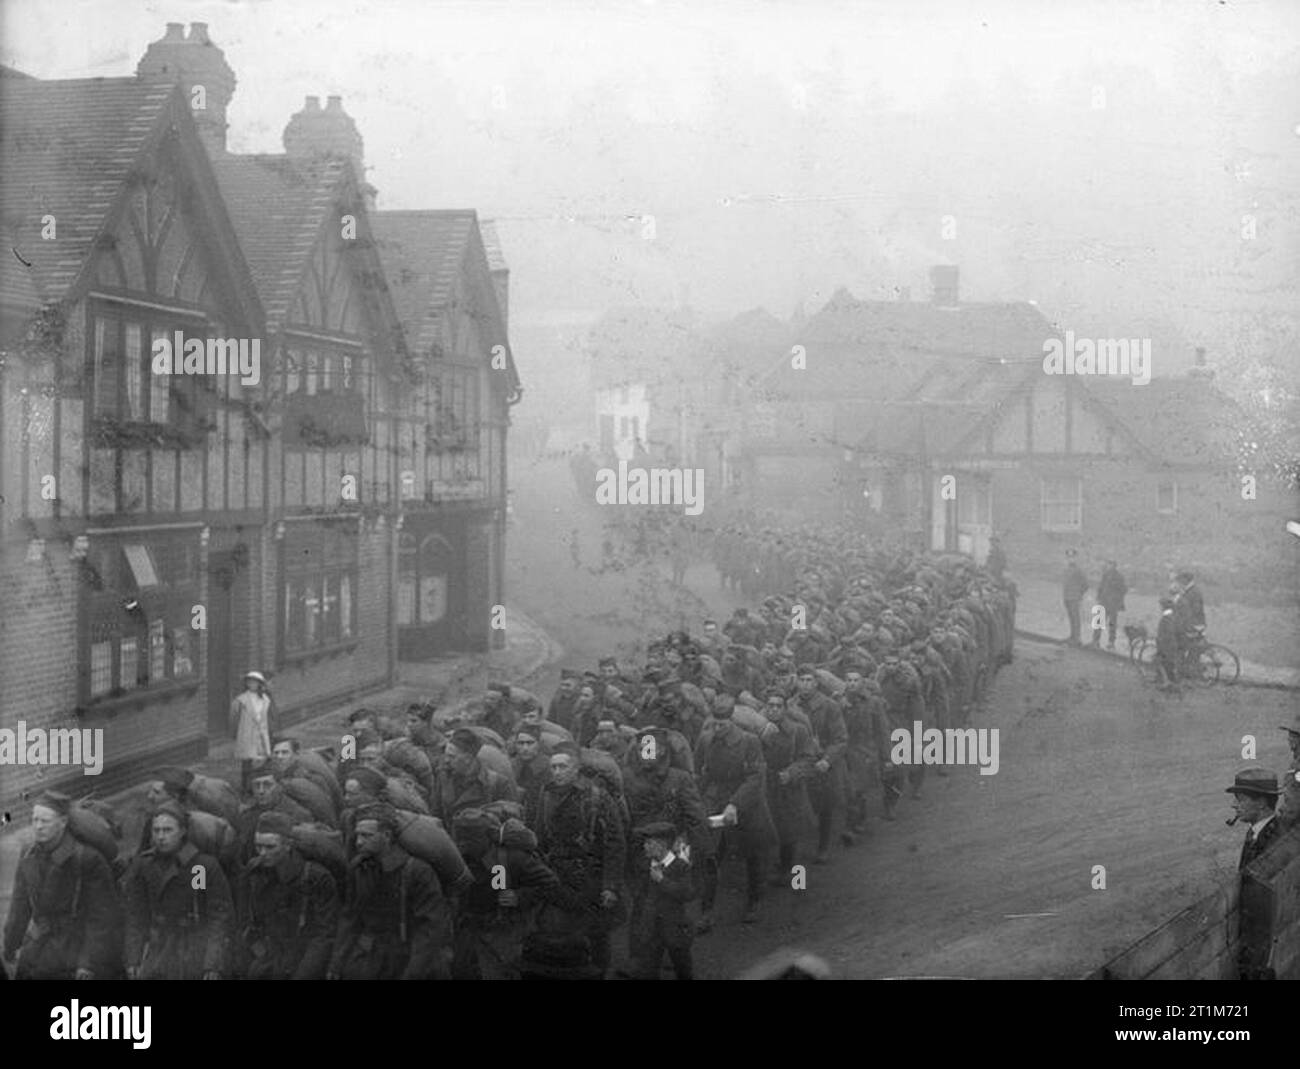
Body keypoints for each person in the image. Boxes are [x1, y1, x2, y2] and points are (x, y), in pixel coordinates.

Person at [2, 792, 121, 980]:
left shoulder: (87, 859)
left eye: (45, 821)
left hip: (73, 954)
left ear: (63, 822)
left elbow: (102, 917)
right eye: (35, 820)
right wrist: (10, 948)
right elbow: (19, 907)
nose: (38, 827)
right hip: (36, 948)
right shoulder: (28, 854)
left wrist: (88, 963)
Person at [327, 802, 451, 980]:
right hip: (371, 957)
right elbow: (350, 917)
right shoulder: (360, 868)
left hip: (409, 957)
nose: (359, 842)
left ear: (386, 836)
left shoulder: (418, 871)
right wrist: (336, 963)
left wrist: (413, 974)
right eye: (357, 835)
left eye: (367, 835)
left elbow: (429, 929)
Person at [533, 744, 626, 977]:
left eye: (563, 766)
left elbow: (615, 844)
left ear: (576, 769)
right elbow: (539, 836)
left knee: (596, 934)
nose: (557, 772)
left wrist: (610, 886)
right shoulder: (545, 794)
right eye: (553, 767)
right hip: (558, 875)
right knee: (562, 935)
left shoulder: (597, 797)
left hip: (590, 876)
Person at [122, 802, 234, 980]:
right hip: (156, 951)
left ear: (182, 832)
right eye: (156, 830)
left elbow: (218, 917)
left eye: (168, 830)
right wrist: (133, 958)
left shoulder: (199, 867)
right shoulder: (144, 865)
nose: (161, 836)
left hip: (193, 953)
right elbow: (136, 915)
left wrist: (212, 964)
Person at [694, 698, 775, 929]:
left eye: (723, 724)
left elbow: (755, 777)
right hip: (717, 802)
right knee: (711, 856)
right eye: (715, 723)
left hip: (747, 803)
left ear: (732, 720)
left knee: (753, 855)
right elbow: (700, 773)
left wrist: (735, 803)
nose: (717, 729)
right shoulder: (706, 739)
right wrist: (697, 801)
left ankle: (754, 902)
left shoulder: (749, 742)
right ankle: (706, 912)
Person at [233, 811, 339, 980]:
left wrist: (303, 975)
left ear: (288, 845)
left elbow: (324, 935)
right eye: (258, 846)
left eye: (270, 847)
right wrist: (257, 956)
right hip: (267, 960)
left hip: (304, 962)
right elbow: (245, 921)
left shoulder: (316, 877)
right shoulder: (253, 871)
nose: (262, 853)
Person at [760, 691, 817, 885]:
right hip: (764, 786)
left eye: (778, 706)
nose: (774, 709)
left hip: (788, 788)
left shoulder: (797, 731)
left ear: (785, 709)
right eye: (770, 705)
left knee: (789, 831)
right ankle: (768, 870)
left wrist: (791, 773)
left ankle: (789, 871)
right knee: (764, 829)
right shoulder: (757, 731)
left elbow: (808, 758)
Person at [628, 821, 696, 980]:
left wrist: (662, 881)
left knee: (683, 968)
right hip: (651, 928)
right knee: (649, 969)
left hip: (674, 927)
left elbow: (687, 893)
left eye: (649, 843)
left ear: (662, 845)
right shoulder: (645, 865)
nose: (645, 847)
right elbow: (639, 891)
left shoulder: (680, 867)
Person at [430, 728, 518, 822]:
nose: (446, 760)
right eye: (446, 755)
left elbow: (510, 824)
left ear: (468, 758)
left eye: (452, 756)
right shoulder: (443, 776)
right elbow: (436, 815)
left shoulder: (498, 784)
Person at [230, 670, 274, 794]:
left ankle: (257, 786)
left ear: (260, 684)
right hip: (246, 734)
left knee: (260, 762)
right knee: (247, 763)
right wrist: (236, 733)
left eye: (255, 682)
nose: (252, 684)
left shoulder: (265, 700)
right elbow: (233, 717)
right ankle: (245, 787)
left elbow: (264, 720)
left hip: (260, 735)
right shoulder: (241, 700)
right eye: (249, 682)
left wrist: (266, 740)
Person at [1093, 559, 1127, 650]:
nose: (1109, 566)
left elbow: (1123, 590)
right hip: (1103, 602)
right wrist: (1098, 597)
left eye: (1111, 564)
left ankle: (1111, 642)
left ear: (1115, 566)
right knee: (1099, 622)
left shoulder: (1119, 577)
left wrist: (1117, 600)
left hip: (1113, 604)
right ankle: (1095, 641)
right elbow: (1101, 587)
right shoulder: (1105, 575)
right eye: (1109, 564)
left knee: (1112, 624)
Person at [1061, 550, 1089, 645]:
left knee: (1076, 618)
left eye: (1072, 557)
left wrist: (1079, 595)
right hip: (1067, 597)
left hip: (1074, 598)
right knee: (1071, 618)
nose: (1070, 559)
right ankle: (1072, 636)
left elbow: (1085, 584)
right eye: (1068, 557)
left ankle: (1077, 638)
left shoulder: (1078, 570)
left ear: (1076, 558)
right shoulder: (1067, 569)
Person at [1278, 713, 1300, 832]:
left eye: (1292, 735)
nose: (1288, 738)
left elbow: (1295, 802)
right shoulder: (1296, 761)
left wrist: (1283, 820)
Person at [1155, 596, 1181, 693]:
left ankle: (1166, 683)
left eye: (1160, 606)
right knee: (1170, 665)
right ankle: (1173, 683)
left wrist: (1160, 646)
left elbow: (1164, 635)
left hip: (1167, 647)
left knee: (1158, 661)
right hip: (1174, 646)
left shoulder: (1165, 619)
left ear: (1163, 607)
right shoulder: (1174, 616)